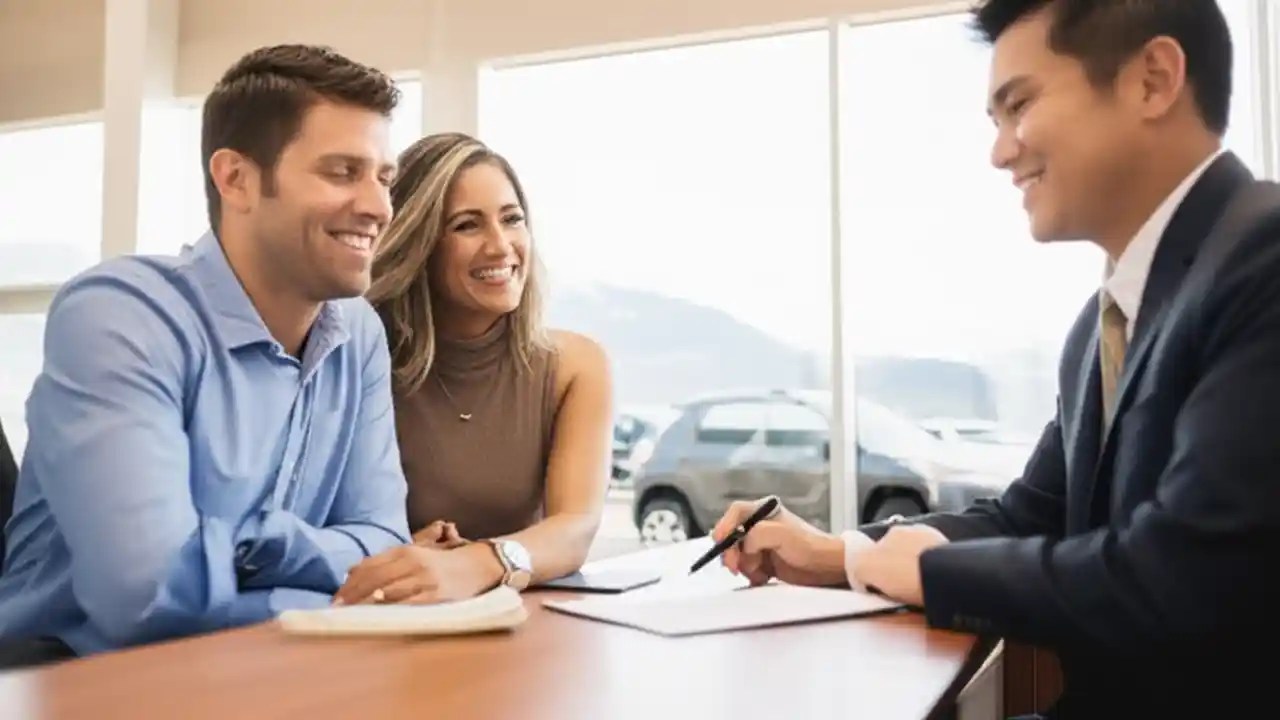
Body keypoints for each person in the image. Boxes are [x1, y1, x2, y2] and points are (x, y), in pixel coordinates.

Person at [710, 0, 1279, 716]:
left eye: (1020, 106)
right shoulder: (1100, 327)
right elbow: (1028, 517)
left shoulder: (1262, 258)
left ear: (1153, 79)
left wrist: (930, 569)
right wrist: (840, 554)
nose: (1001, 151)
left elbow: (1182, 577)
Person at [0, 44, 411, 663]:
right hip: (70, 673)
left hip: (272, 668)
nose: (380, 207)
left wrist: (253, 545)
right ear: (236, 179)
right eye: (341, 172)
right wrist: (335, 602)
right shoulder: (120, 313)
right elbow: (146, 596)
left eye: (384, 178)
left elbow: (385, 544)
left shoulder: (358, 334)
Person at [332, 133, 612, 606]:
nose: (501, 246)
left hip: (519, 632)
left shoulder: (575, 367)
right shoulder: (359, 357)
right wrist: (401, 553)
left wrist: (475, 564)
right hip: (387, 622)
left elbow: (575, 529)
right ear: (420, 243)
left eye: (512, 219)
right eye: (467, 226)